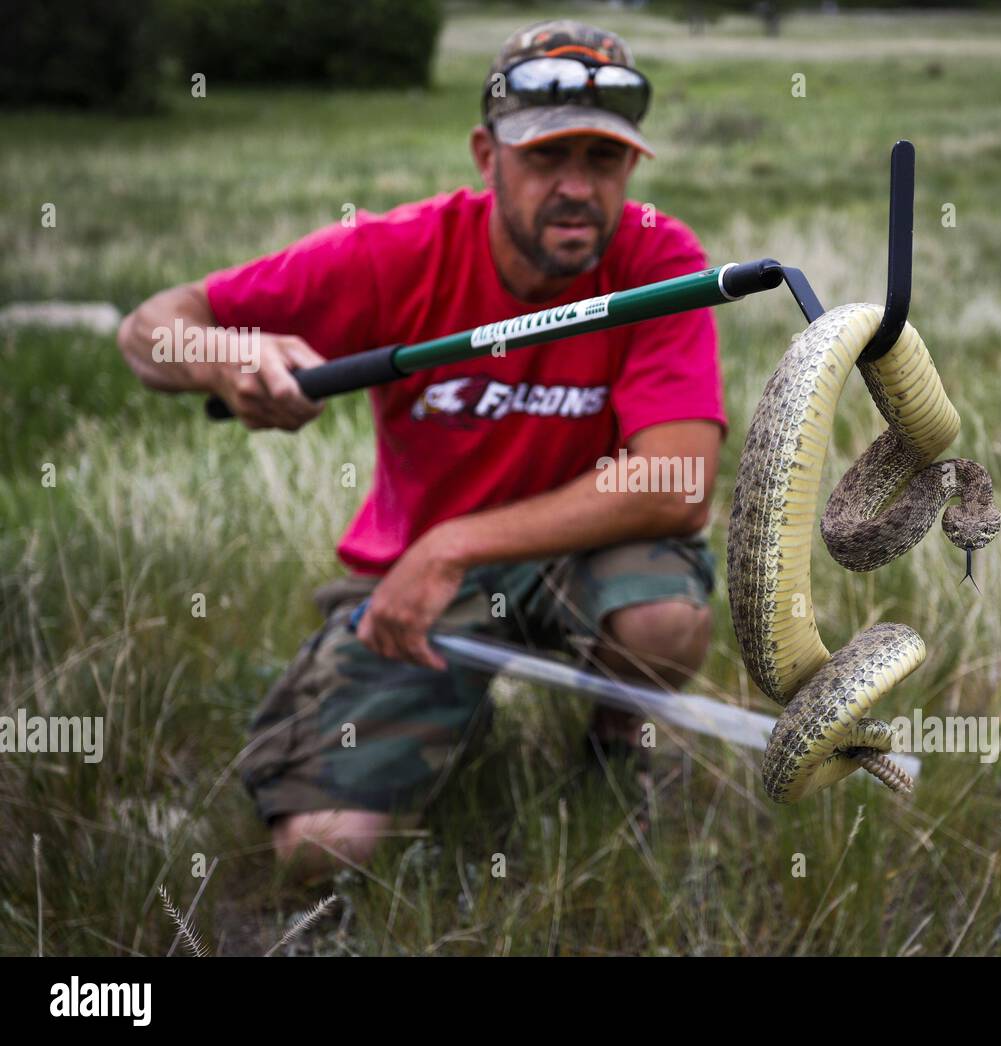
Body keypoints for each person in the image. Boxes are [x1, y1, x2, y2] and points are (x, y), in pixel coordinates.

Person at [115, 20, 726, 880]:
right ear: (487, 156)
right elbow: (149, 331)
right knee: (326, 851)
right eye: (547, 158)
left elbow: (676, 485)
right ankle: (440, 712)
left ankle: (615, 750)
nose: (578, 189)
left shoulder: (660, 259)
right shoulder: (393, 253)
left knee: (663, 620)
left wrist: (457, 542)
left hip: (572, 551)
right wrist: (223, 360)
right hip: (414, 578)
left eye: (604, 160)